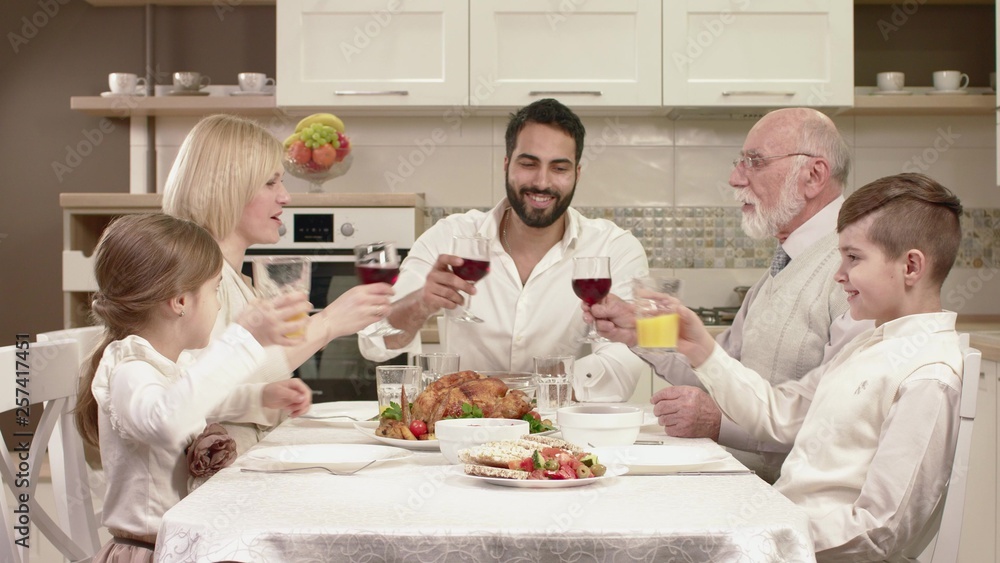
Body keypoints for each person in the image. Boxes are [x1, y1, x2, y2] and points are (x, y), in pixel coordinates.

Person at [657, 173, 964, 561]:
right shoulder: (869, 344)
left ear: (911, 267)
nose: (838, 274)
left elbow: (881, 530)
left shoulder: (929, 374)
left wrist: (768, 540)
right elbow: (779, 414)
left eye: (853, 257)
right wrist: (701, 348)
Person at [585, 107, 871, 480]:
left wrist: (719, 423)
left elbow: (839, 421)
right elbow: (717, 375)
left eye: (754, 161)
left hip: (792, 504)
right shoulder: (781, 268)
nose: (735, 179)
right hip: (747, 484)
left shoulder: (853, 271)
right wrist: (640, 335)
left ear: (813, 176)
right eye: (740, 162)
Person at [359, 99, 649, 401]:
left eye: (559, 168)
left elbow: (621, 368)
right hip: (462, 431)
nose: (542, 181)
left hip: (564, 438)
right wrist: (420, 303)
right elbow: (375, 341)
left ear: (577, 173)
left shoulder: (614, 248)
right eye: (529, 164)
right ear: (507, 164)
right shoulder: (449, 236)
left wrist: (506, 392)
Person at [75, 214, 314, 562]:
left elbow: (197, 402)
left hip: (185, 547)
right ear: (180, 302)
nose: (219, 305)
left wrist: (260, 397)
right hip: (153, 553)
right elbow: (169, 420)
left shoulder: (169, 364)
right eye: (215, 290)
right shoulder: (130, 370)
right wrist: (242, 339)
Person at [163, 114, 393, 450]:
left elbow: (230, 389)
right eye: (271, 183)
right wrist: (327, 323)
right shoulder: (199, 280)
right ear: (229, 187)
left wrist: (269, 399)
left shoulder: (232, 278)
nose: (285, 197)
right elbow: (200, 391)